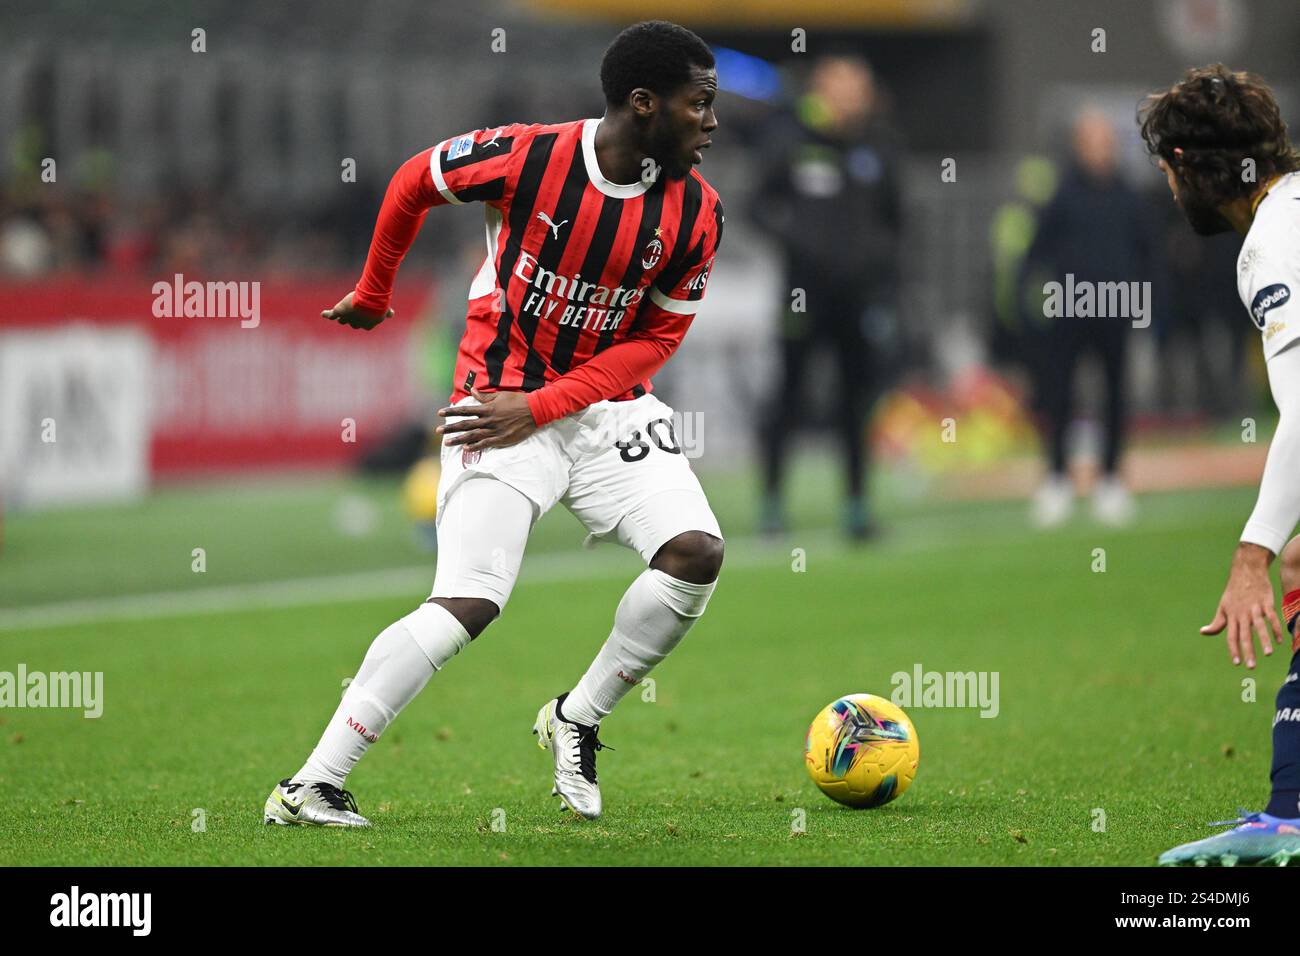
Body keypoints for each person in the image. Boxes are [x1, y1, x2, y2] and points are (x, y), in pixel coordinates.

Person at [263, 20, 724, 825]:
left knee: (696, 554)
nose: (712, 122)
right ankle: (310, 785)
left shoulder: (698, 214)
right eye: (700, 103)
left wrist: (545, 406)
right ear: (644, 103)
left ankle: (577, 717)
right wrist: (374, 291)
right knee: (470, 602)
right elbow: (414, 180)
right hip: (495, 403)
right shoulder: (531, 157)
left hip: (601, 409)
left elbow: (656, 340)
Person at [1142, 64, 1300, 866]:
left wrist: (1251, 553)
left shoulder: (1276, 241)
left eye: (1168, 171)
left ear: (1189, 165)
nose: (1170, 190)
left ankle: (1291, 816)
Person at [751, 54, 902, 540]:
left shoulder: (877, 145)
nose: (852, 96)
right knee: (789, 395)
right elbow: (758, 206)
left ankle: (857, 507)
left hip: (859, 296)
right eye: (843, 86)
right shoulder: (791, 139)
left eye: (859, 87)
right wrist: (799, 242)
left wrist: (882, 278)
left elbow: (896, 221)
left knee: (856, 401)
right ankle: (772, 505)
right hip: (802, 293)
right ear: (821, 89)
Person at [1025, 107, 1160, 528]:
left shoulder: (1129, 196)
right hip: (1069, 309)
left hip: (1116, 309)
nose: (1100, 151)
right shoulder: (1062, 196)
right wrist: (1035, 309)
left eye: (1105, 142)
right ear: (1078, 147)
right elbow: (1036, 254)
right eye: (1091, 142)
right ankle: (1057, 477)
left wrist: (1149, 308)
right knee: (1060, 393)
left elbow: (1148, 256)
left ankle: (1112, 478)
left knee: (1115, 394)